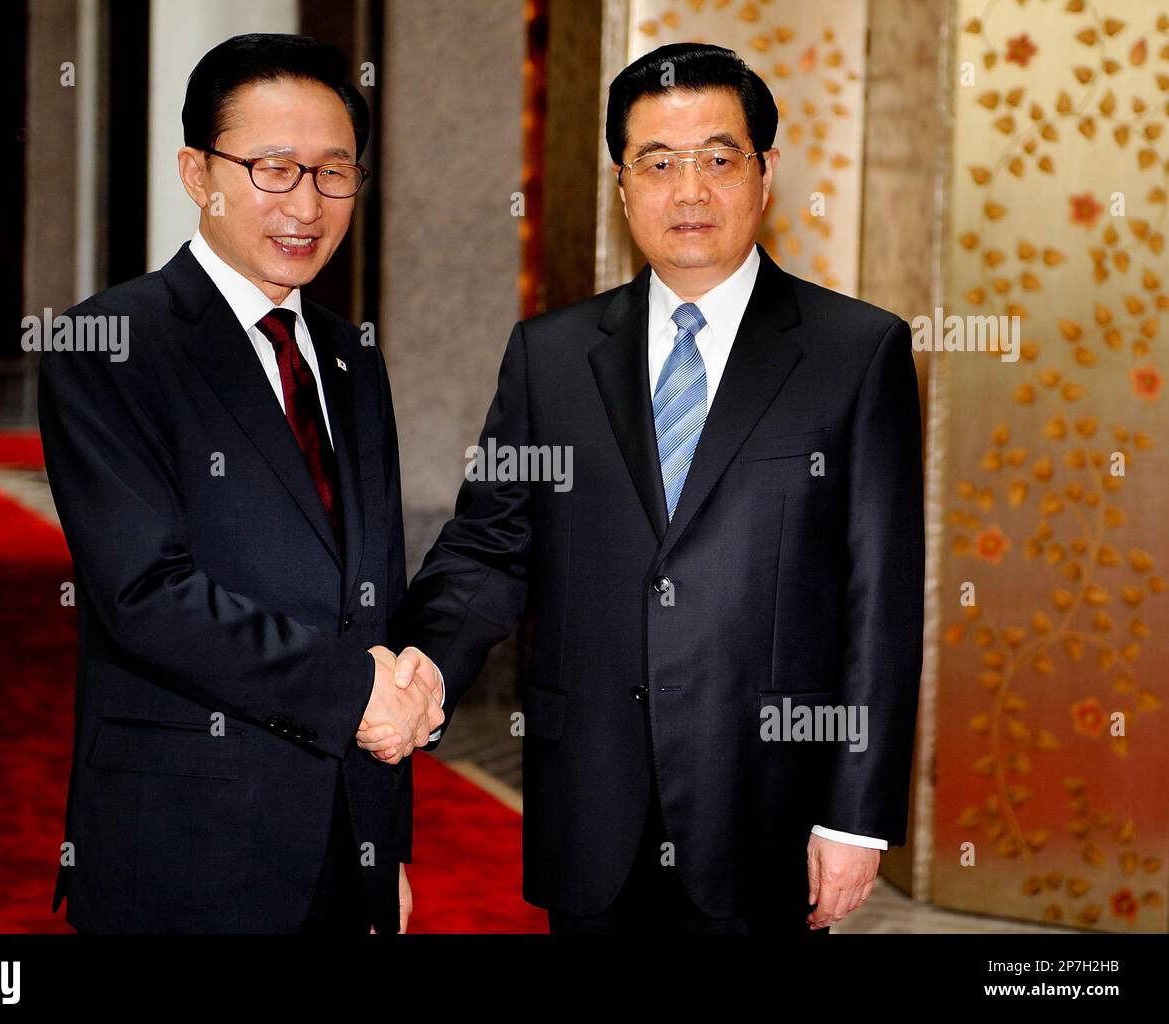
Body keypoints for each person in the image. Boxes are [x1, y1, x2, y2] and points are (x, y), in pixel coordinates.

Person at [367, 42, 924, 934]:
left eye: (717, 158)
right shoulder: (551, 356)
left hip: (766, 806)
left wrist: (853, 814)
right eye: (658, 164)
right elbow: (488, 545)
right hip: (591, 801)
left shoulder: (855, 354)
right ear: (622, 184)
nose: (689, 190)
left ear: (766, 171)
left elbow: (879, 602)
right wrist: (422, 665)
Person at [39, 33, 443, 935]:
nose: (307, 204)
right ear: (197, 173)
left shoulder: (350, 356)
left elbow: (371, 605)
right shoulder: (110, 345)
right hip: (184, 844)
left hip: (346, 839)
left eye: (334, 172)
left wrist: (389, 845)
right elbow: (144, 592)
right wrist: (351, 692)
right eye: (272, 168)